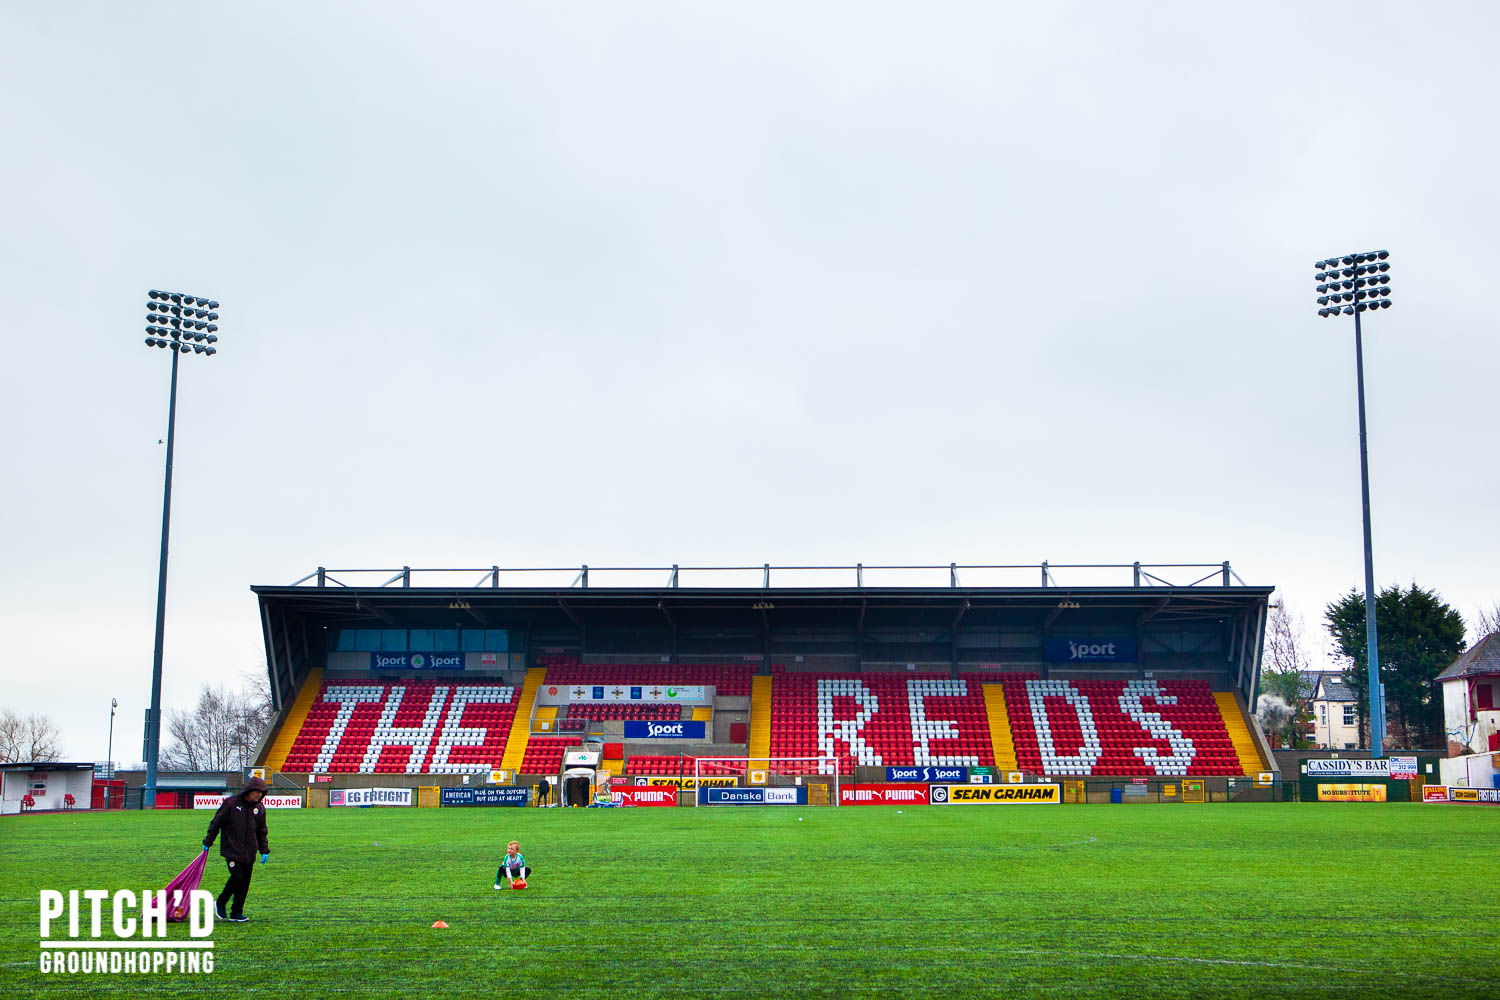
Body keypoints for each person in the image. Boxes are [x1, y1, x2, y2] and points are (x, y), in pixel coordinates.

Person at [202, 776, 270, 922]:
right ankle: (221, 902)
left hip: (249, 851)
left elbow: (261, 831)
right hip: (232, 849)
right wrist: (208, 840)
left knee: (245, 882)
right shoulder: (231, 804)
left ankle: (236, 912)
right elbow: (216, 823)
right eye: (257, 792)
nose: (259, 795)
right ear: (250, 790)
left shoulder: (259, 808)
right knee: (237, 877)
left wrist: (264, 850)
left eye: (262, 793)